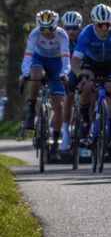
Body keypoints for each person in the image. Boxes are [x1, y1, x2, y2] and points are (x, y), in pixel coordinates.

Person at [71, 4, 111, 153]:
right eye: (100, 25)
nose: (104, 29)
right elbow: (75, 62)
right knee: (86, 87)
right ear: (94, 23)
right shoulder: (86, 33)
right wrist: (79, 74)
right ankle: (85, 125)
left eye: (107, 24)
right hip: (91, 63)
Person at [20, 10, 70, 150]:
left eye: (50, 29)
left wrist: (64, 73)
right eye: (43, 29)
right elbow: (28, 57)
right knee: (35, 74)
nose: (46, 33)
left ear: (56, 26)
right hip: (39, 60)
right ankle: (31, 109)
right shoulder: (34, 34)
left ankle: (55, 141)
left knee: (59, 105)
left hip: (55, 63)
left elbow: (66, 60)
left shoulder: (62, 35)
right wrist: (25, 74)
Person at [58, 11, 83, 151]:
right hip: (68, 69)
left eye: (74, 28)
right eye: (68, 28)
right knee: (68, 97)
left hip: (83, 67)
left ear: (80, 27)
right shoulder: (60, 37)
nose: (71, 31)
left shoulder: (85, 36)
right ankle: (66, 131)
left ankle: (89, 124)